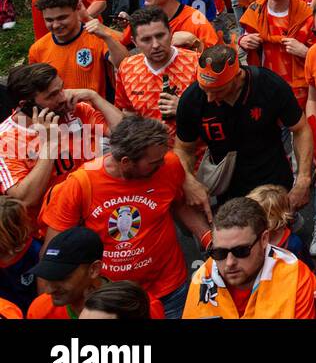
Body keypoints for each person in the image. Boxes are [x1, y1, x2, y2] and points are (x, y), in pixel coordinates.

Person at [41, 115, 210, 319]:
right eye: (154, 162)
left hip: (170, 291)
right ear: (126, 162)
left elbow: (178, 204)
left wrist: (208, 238)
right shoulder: (80, 184)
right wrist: (48, 307)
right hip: (113, 301)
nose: (162, 164)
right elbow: (53, 251)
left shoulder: (168, 164)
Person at [174, 44, 314, 206]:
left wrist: (303, 180)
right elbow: (183, 148)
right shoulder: (193, 99)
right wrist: (188, 180)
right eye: (204, 89)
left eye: (218, 90)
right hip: (227, 189)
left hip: (272, 184)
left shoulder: (268, 85)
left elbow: (300, 129)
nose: (210, 98)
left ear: (238, 76)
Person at [0, 62, 122, 211]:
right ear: (26, 105)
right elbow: (24, 199)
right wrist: (50, 144)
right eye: (52, 95)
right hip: (48, 226)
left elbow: (127, 134)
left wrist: (94, 96)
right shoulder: (6, 139)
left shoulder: (74, 110)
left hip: (96, 207)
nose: (63, 97)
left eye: (61, 89)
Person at [183, 197, 316, 319]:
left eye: (241, 251)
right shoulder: (202, 278)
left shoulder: (296, 278)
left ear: (264, 239)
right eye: (219, 253)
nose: (229, 263)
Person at [24, 226, 161, 320]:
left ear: (94, 269)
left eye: (61, 277)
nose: (49, 289)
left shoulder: (143, 308)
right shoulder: (40, 311)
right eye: (48, 277)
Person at [28, 0, 113, 102]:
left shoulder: (97, 36)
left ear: (77, 8)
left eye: (62, 18)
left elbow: (124, 63)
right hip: (62, 116)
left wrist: (107, 36)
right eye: (49, 20)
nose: (56, 25)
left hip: (99, 115)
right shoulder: (37, 49)